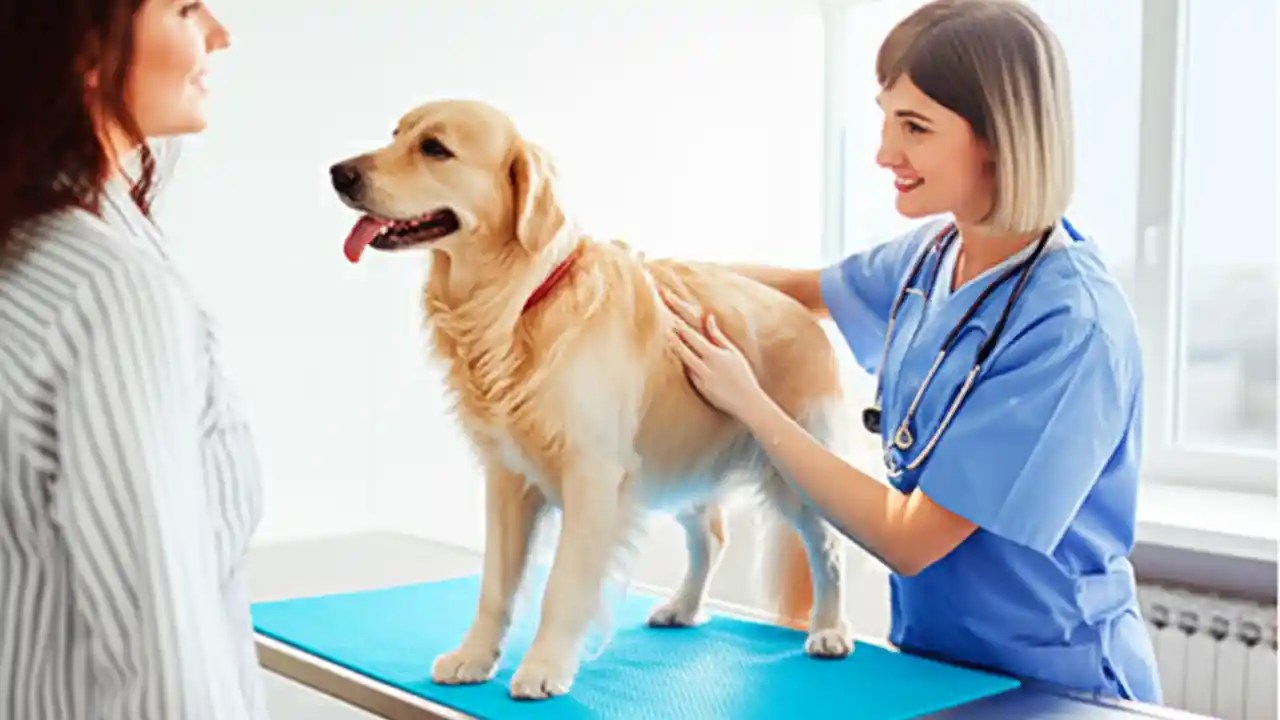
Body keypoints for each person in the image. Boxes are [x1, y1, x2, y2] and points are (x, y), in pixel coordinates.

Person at [662, 0, 1162, 704]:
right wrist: (644, 281)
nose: (884, 153)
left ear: (998, 138)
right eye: (886, 118)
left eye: (915, 127)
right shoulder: (933, 256)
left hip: (1056, 685)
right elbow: (802, 290)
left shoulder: (1072, 327)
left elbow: (909, 538)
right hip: (932, 665)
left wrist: (751, 404)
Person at [0, 1, 269, 718]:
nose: (220, 33)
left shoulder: (38, 243)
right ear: (84, 47)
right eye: (186, 8)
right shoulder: (109, 294)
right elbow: (164, 676)